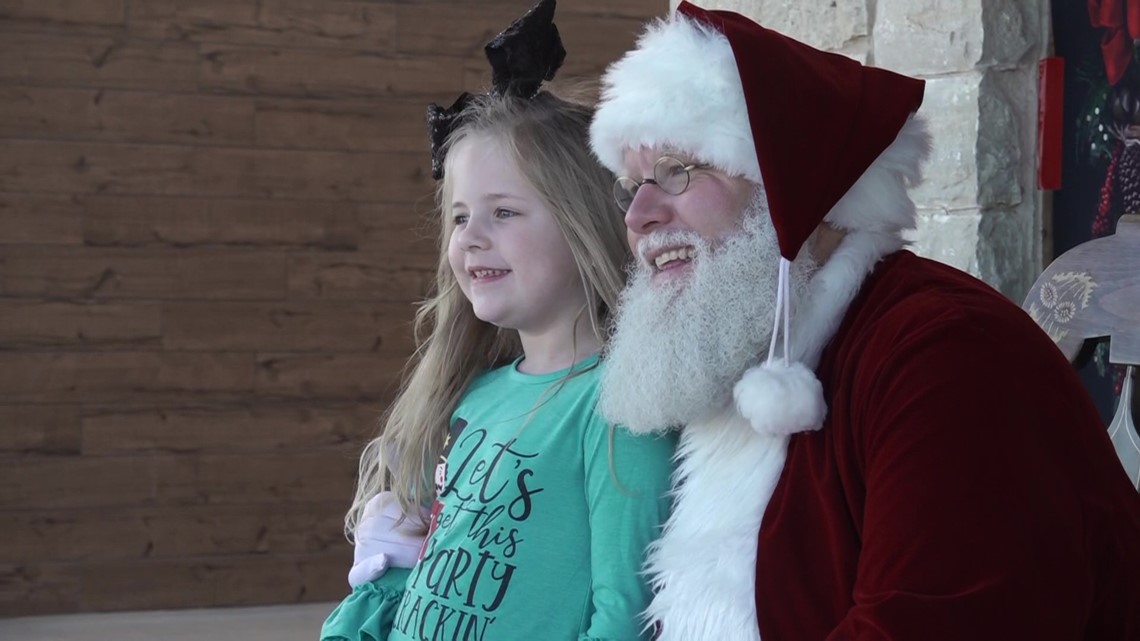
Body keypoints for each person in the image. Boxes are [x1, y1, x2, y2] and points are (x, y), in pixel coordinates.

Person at [588, 2, 1140, 640]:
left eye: (678, 172)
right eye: (633, 186)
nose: (639, 216)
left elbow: (936, 621)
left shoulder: (944, 353)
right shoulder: (748, 353)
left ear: (791, 187)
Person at [320, 2, 675, 641]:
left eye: (504, 212)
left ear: (582, 224)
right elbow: (412, 571)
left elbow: (624, 616)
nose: (471, 238)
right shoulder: (473, 397)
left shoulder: (621, 408)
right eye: (459, 217)